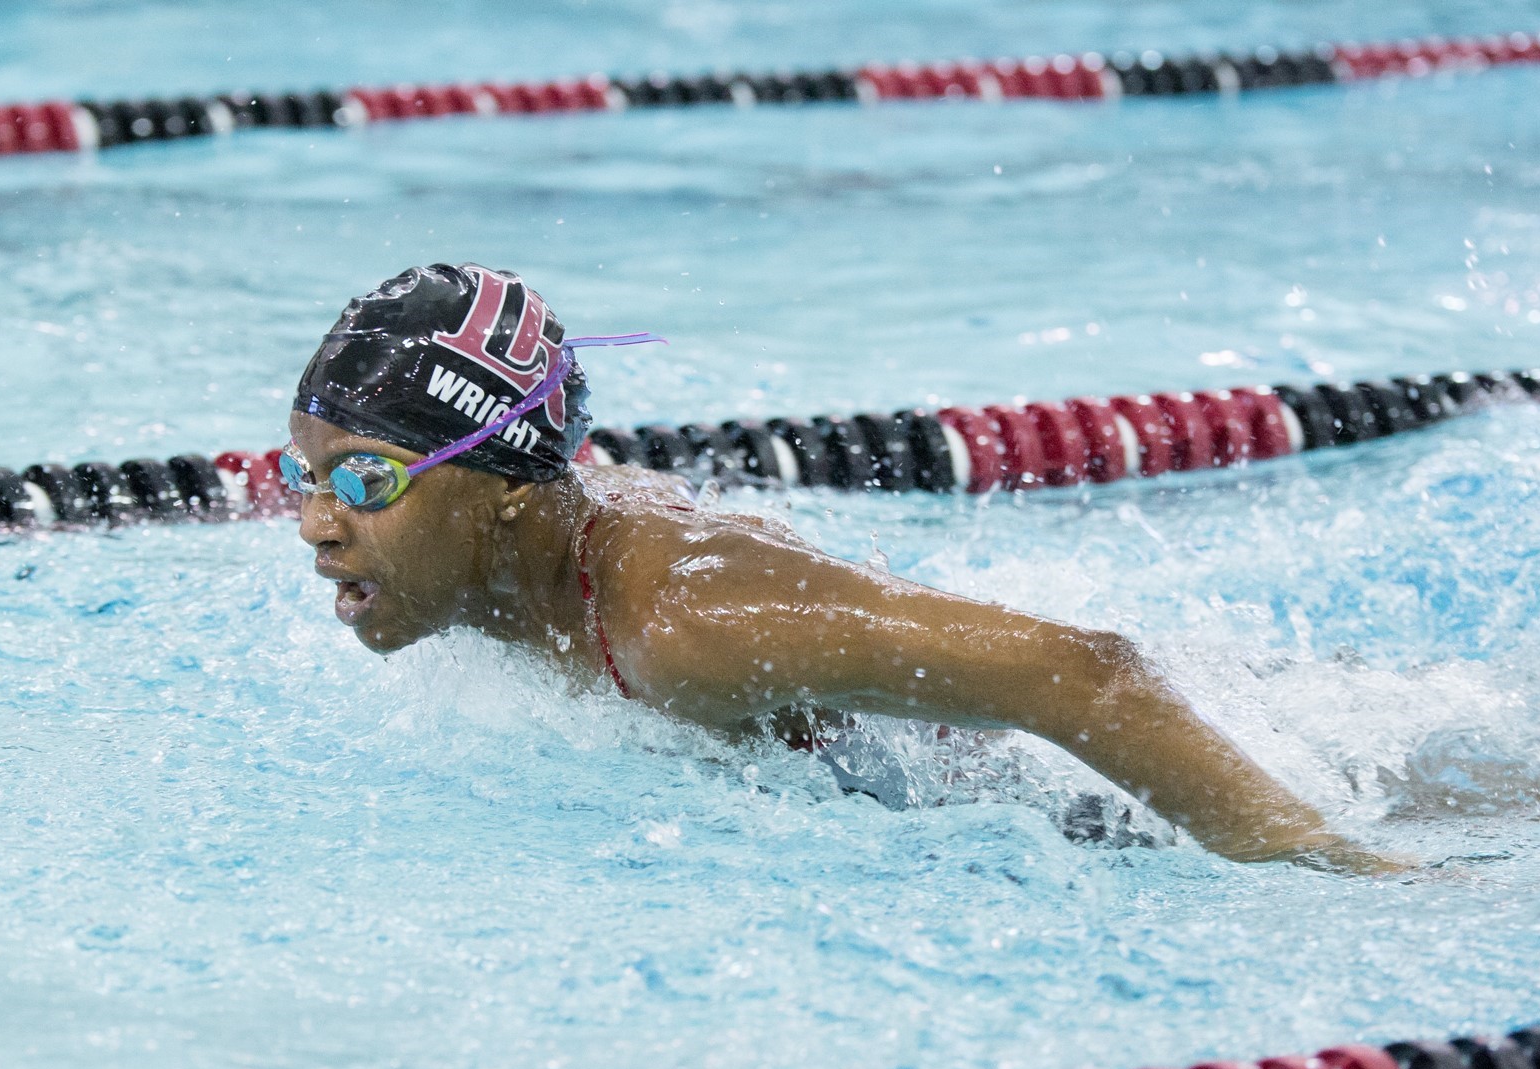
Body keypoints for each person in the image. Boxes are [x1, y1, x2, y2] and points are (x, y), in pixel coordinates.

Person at [287, 263, 1397, 870]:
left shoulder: (685, 621)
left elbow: (1087, 673)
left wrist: (1328, 867)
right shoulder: (516, 553)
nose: (315, 525)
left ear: (503, 485)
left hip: (1142, 782)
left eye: (366, 481)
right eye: (303, 476)